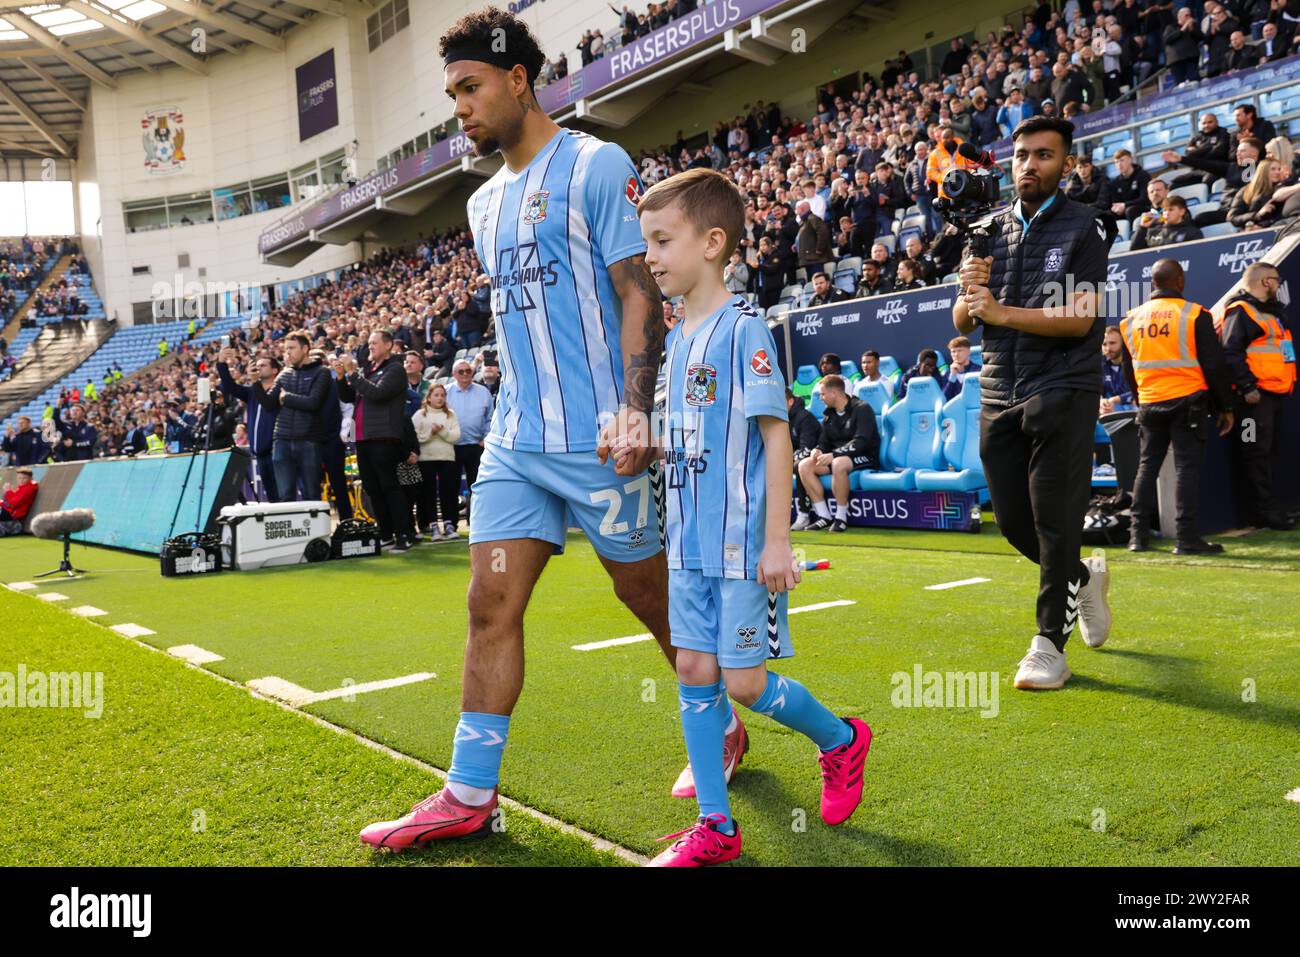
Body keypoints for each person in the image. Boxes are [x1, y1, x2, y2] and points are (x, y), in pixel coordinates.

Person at [360, 10, 713, 849]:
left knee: (647, 596)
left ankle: (721, 730)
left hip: (599, 438)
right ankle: (469, 792)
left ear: (517, 79)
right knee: (489, 602)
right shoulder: (481, 204)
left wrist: (634, 406)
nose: (460, 108)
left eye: (470, 88)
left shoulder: (598, 163)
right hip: (516, 444)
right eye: (451, 94)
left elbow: (638, 292)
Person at [640, 167, 869, 866]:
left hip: (742, 546)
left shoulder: (745, 330)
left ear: (713, 242)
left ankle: (839, 739)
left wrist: (778, 540)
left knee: (742, 680)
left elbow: (776, 437)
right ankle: (716, 826)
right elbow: (691, 438)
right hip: (686, 545)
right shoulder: (676, 339)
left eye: (661, 240)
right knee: (692, 669)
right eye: (645, 242)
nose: (650, 256)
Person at [953, 115, 1114, 691]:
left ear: (1065, 164)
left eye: (1044, 155)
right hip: (998, 392)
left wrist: (1000, 312)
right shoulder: (988, 228)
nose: (1030, 165)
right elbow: (963, 320)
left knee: (1054, 520)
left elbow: (1081, 319)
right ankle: (1082, 578)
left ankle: (1049, 645)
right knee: (1016, 525)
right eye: (1022, 155)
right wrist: (971, 290)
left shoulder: (1086, 228)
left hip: (1063, 389)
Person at [1120, 259, 1235, 554]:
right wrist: (1226, 407)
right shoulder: (1194, 314)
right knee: (1186, 469)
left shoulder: (1130, 318)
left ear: (1153, 284)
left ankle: (1137, 537)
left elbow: (1129, 370)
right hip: (1188, 402)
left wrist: (1140, 398)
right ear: (1180, 281)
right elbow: (1213, 365)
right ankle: (1185, 538)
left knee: (1147, 468)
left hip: (1149, 402)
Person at [1218, 262, 1297, 531]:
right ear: (1265, 282)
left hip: (1273, 395)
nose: (1278, 285)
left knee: (1266, 453)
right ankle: (1260, 511)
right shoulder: (1242, 312)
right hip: (1252, 401)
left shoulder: (1272, 312)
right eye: (1276, 280)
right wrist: (1247, 387)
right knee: (1253, 452)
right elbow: (1230, 353)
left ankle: (1267, 507)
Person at [337, 328, 416, 551]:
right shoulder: (369, 370)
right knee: (372, 488)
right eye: (369, 343)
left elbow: (378, 394)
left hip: (384, 436)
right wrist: (343, 378)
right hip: (363, 436)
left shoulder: (395, 369)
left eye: (374, 343)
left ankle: (404, 533)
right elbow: (348, 397)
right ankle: (386, 533)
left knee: (389, 486)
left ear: (388, 345)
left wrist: (354, 375)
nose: (369, 346)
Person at [796, 374, 881, 532]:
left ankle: (841, 517)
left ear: (834, 393)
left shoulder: (862, 408)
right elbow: (824, 440)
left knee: (838, 463)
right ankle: (824, 516)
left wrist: (833, 455)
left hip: (865, 455)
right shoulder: (829, 414)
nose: (820, 398)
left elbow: (862, 441)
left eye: (822, 394)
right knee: (804, 465)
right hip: (837, 456)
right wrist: (818, 449)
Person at [267, 331, 330, 502]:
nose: (287, 352)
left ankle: (318, 530)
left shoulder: (322, 372)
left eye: (292, 348)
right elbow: (268, 404)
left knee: (311, 495)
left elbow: (313, 403)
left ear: (305, 348)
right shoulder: (283, 374)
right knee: (285, 496)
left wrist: (286, 398)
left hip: (309, 440)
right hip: (281, 439)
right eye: (286, 349)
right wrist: (256, 381)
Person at [217, 347, 281, 502]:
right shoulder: (252, 392)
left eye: (263, 365)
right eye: (256, 365)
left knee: (282, 494)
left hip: (276, 450)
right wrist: (221, 363)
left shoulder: (280, 390)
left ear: (275, 370)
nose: (258, 368)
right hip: (259, 452)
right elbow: (230, 387)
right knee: (271, 497)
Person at [444, 358, 493, 521]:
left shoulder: (483, 392)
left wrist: (485, 438)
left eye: (468, 371)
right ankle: (451, 523)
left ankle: (477, 521)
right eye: (461, 371)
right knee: (450, 487)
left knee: (478, 487)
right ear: (453, 374)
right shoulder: (445, 391)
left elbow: (490, 418)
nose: (465, 374)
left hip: (475, 446)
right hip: (451, 447)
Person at [412, 383, 462, 540]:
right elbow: (415, 438)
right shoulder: (420, 415)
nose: (440, 398)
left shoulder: (450, 414)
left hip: (447, 458)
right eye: (436, 395)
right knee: (428, 493)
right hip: (426, 459)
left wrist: (441, 431)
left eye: (442, 395)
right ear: (429, 397)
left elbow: (455, 436)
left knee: (448, 492)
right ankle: (432, 525)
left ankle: (449, 525)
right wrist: (430, 433)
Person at [1131, 195, 1203, 249]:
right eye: (1164, 210)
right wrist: (1142, 228)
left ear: (1182, 211)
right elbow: (1134, 252)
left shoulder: (1192, 232)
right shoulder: (1152, 232)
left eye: (1171, 210)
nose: (1166, 213)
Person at [1100, 325, 1136, 412]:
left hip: (1134, 410)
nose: (1108, 348)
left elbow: (1140, 392)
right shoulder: (1100, 364)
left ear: (1123, 343)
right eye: (1104, 344)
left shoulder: (1134, 362)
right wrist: (1101, 401)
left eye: (1112, 343)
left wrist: (1116, 400)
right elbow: (1096, 391)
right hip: (1110, 412)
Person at [0, 466, 37, 534]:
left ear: (30, 478)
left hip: (12, 515)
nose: (21, 480)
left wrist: (8, 491)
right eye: (19, 478)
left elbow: (13, 503)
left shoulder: (29, 489)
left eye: (24, 478)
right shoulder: (21, 488)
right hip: (9, 512)